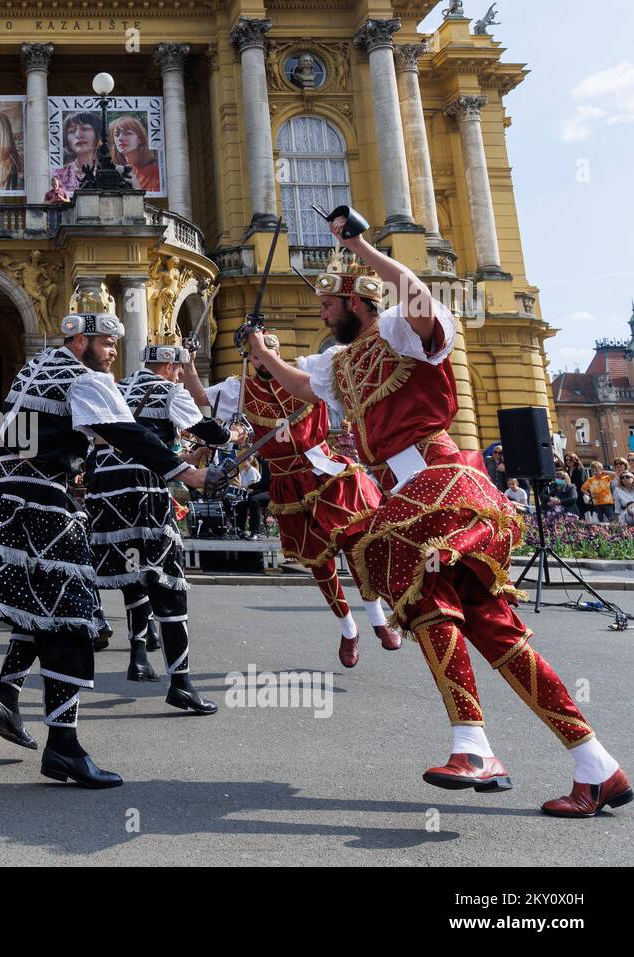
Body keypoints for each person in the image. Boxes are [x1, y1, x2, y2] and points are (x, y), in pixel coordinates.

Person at [249, 209, 628, 817]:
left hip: (439, 484)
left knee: (424, 601)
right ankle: (597, 766)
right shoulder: (341, 363)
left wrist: (360, 246)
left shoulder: (403, 332)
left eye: (328, 305)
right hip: (411, 494)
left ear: (357, 301)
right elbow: (301, 385)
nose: (321, 314)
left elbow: (419, 295)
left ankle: (473, 746)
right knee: (493, 629)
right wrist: (260, 353)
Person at [0, 300, 217, 789]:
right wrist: (186, 469)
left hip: (4, 509)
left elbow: (27, 436)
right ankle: (64, 747)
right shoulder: (88, 379)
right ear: (79, 341)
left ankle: (6, 698)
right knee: (75, 624)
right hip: (47, 512)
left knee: (37, 613)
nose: (112, 352)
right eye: (105, 343)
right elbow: (124, 432)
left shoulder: (35, 370)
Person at [206, 334, 402, 667]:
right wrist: (188, 362)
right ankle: (348, 628)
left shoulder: (307, 368)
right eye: (256, 355)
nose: (262, 359)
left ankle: (378, 620)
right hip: (287, 483)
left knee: (356, 543)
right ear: (249, 359)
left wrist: (368, 326)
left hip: (325, 471)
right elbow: (200, 400)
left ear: (278, 352)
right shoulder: (239, 390)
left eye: (269, 352)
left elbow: (345, 351)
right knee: (318, 561)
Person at [84, 342, 239, 699]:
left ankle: (138, 655)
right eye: (179, 368)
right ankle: (180, 681)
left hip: (103, 487)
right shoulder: (169, 391)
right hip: (144, 488)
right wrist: (233, 435)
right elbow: (205, 427)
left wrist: (187, 455)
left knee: (132, 567)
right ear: (167, 367)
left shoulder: (116, 388)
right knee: (166, 577)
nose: (181, 375)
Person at [51, 112, 101, 194]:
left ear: (99, 137)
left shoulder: (117, 171)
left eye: (84, 129)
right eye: (72, 131)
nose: (77, 135)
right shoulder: (58, 174)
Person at [109, 115, 160, 192]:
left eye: (127, 133)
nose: (120, 138)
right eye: (117, 134)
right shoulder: (113, 170)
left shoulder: (154, 172)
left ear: (140, 139)